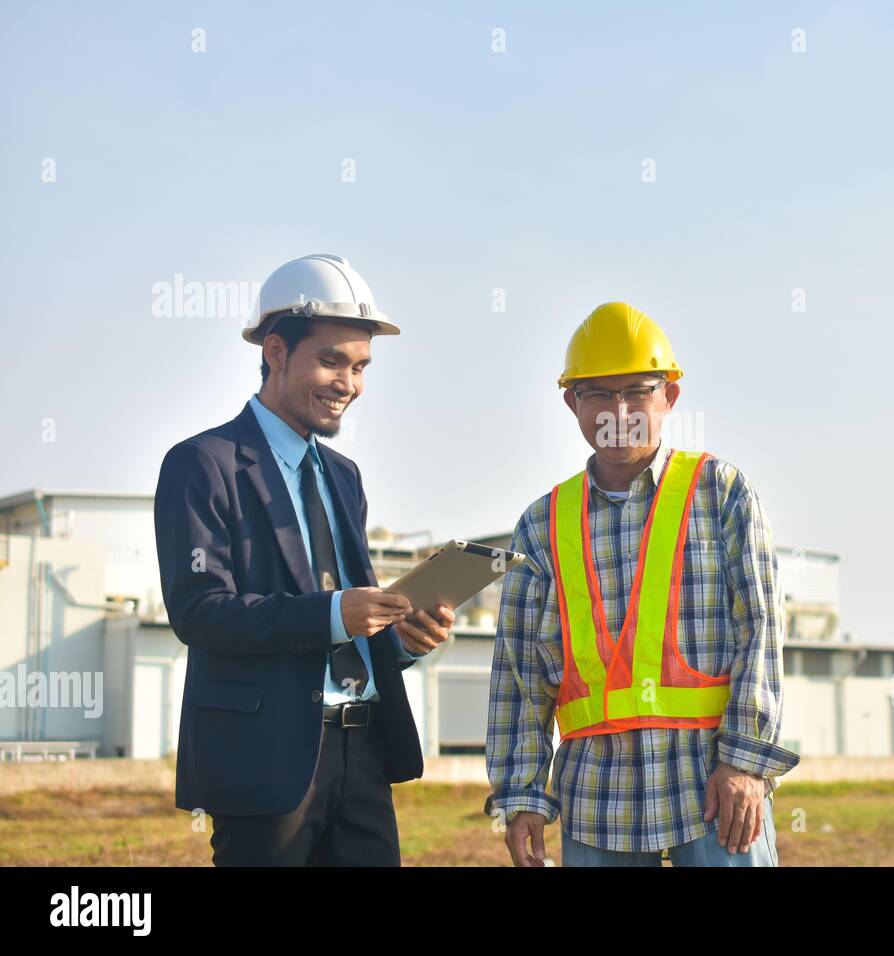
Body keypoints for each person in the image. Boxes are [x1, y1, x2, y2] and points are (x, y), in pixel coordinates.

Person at [154, 253, 453, 866]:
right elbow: (201, 612)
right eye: (331, 361)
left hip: (363, 755)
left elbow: (348, 620)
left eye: (361, 367)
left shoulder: (344, 477)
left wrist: (400, 640)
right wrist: (334, 614)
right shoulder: (201, 464)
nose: (348, 383)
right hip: (264, 762)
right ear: (275, 351)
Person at [486, 301, 799, 866]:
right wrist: (522, 793)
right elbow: (519, 675)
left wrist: (746, 762)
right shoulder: (541, 525)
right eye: (599, 394)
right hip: (595, 805)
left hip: (714, 792)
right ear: (571, 403)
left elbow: (763, 631)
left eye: (637, 390)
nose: (620, 409)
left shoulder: (721, 493)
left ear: (669, 396)